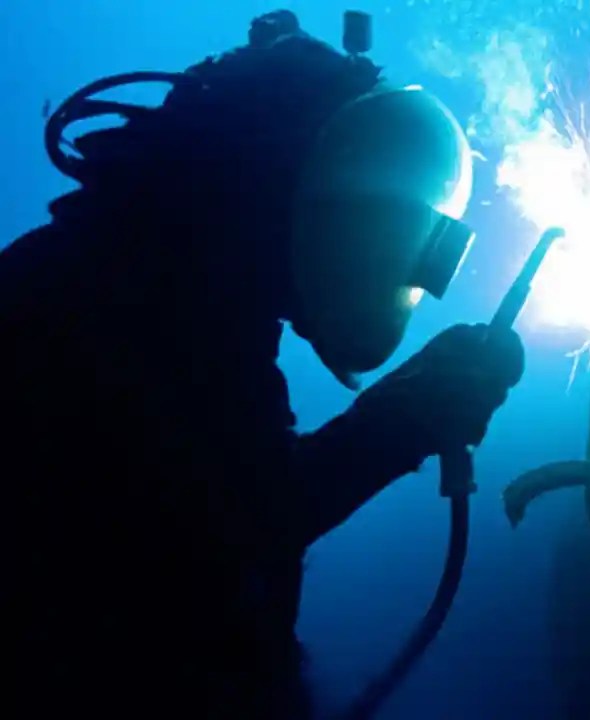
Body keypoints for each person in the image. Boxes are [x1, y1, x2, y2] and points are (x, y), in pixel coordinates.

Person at [1, 10, 523, 718]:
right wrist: (399, 419)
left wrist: (403, 414)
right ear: (280, 182)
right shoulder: (60, 304)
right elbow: (185, 550)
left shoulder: (201, 318)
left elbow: (237, 500)